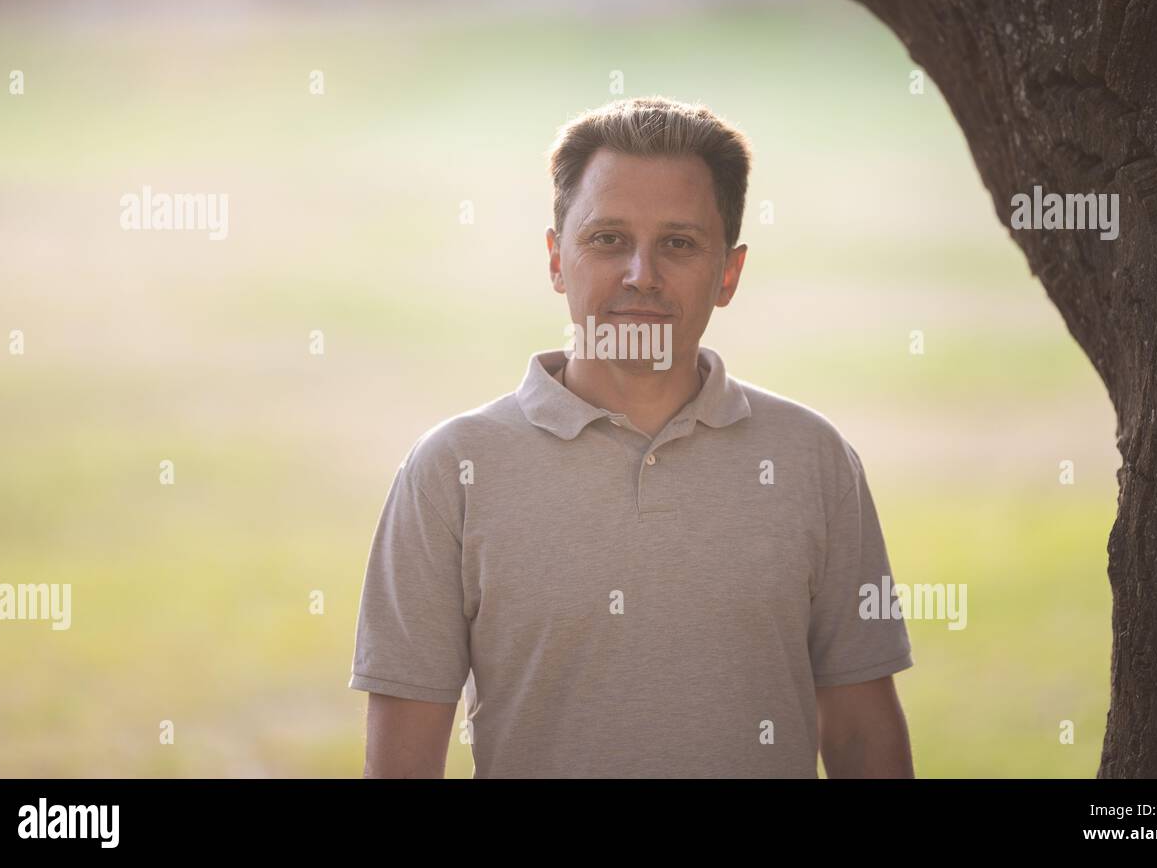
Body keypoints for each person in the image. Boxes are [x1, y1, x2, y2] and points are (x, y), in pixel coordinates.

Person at [349, 95, 914, 778]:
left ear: (728, 273)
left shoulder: (812, 460)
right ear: (557, 260)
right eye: (608, 239)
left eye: (678, 243)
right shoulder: (451, 470)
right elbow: (402, 763)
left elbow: (861, 737)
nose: (641, 275)